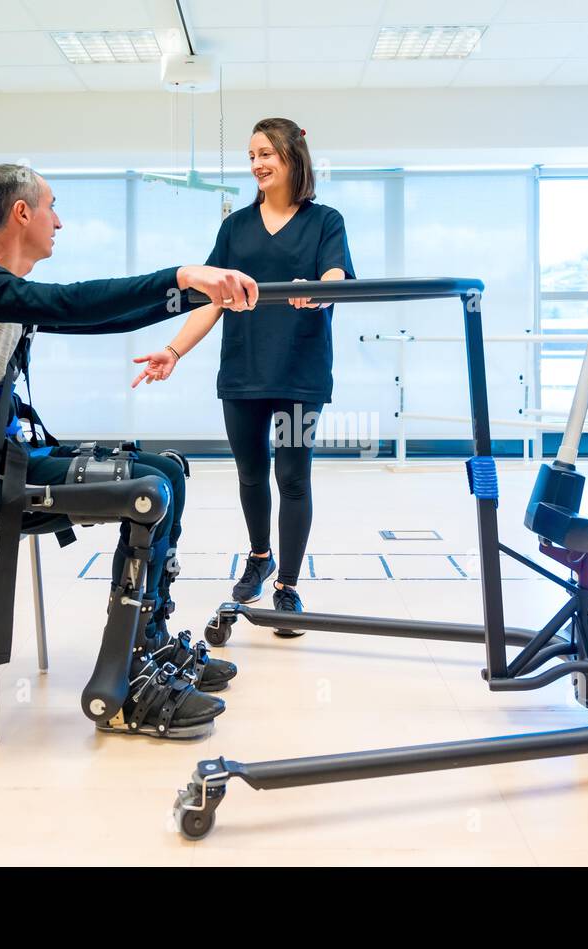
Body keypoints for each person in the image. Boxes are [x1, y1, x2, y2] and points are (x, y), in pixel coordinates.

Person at [0, 162, 258, 738]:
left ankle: (146, 643)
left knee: (164, 469)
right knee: (148, 493)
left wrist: (186, 293)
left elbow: (95, 318)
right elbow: (75, 303)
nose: (60, 221)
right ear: (22, 213)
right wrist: (182, 274)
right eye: (52, 207)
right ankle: (122, 694)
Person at [132, 118, 354, 636]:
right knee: (251, 474)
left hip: (299, 372)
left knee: (293, 478)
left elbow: (336, 277)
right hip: (244, 372)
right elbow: (213, 299)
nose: (256, 164)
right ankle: (260, 557)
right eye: (251, 155)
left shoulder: (325, 221)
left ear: (292, 158)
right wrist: (173, 350)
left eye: (266, 154)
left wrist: (317, 290)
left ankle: (289, 589)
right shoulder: (234, 227)